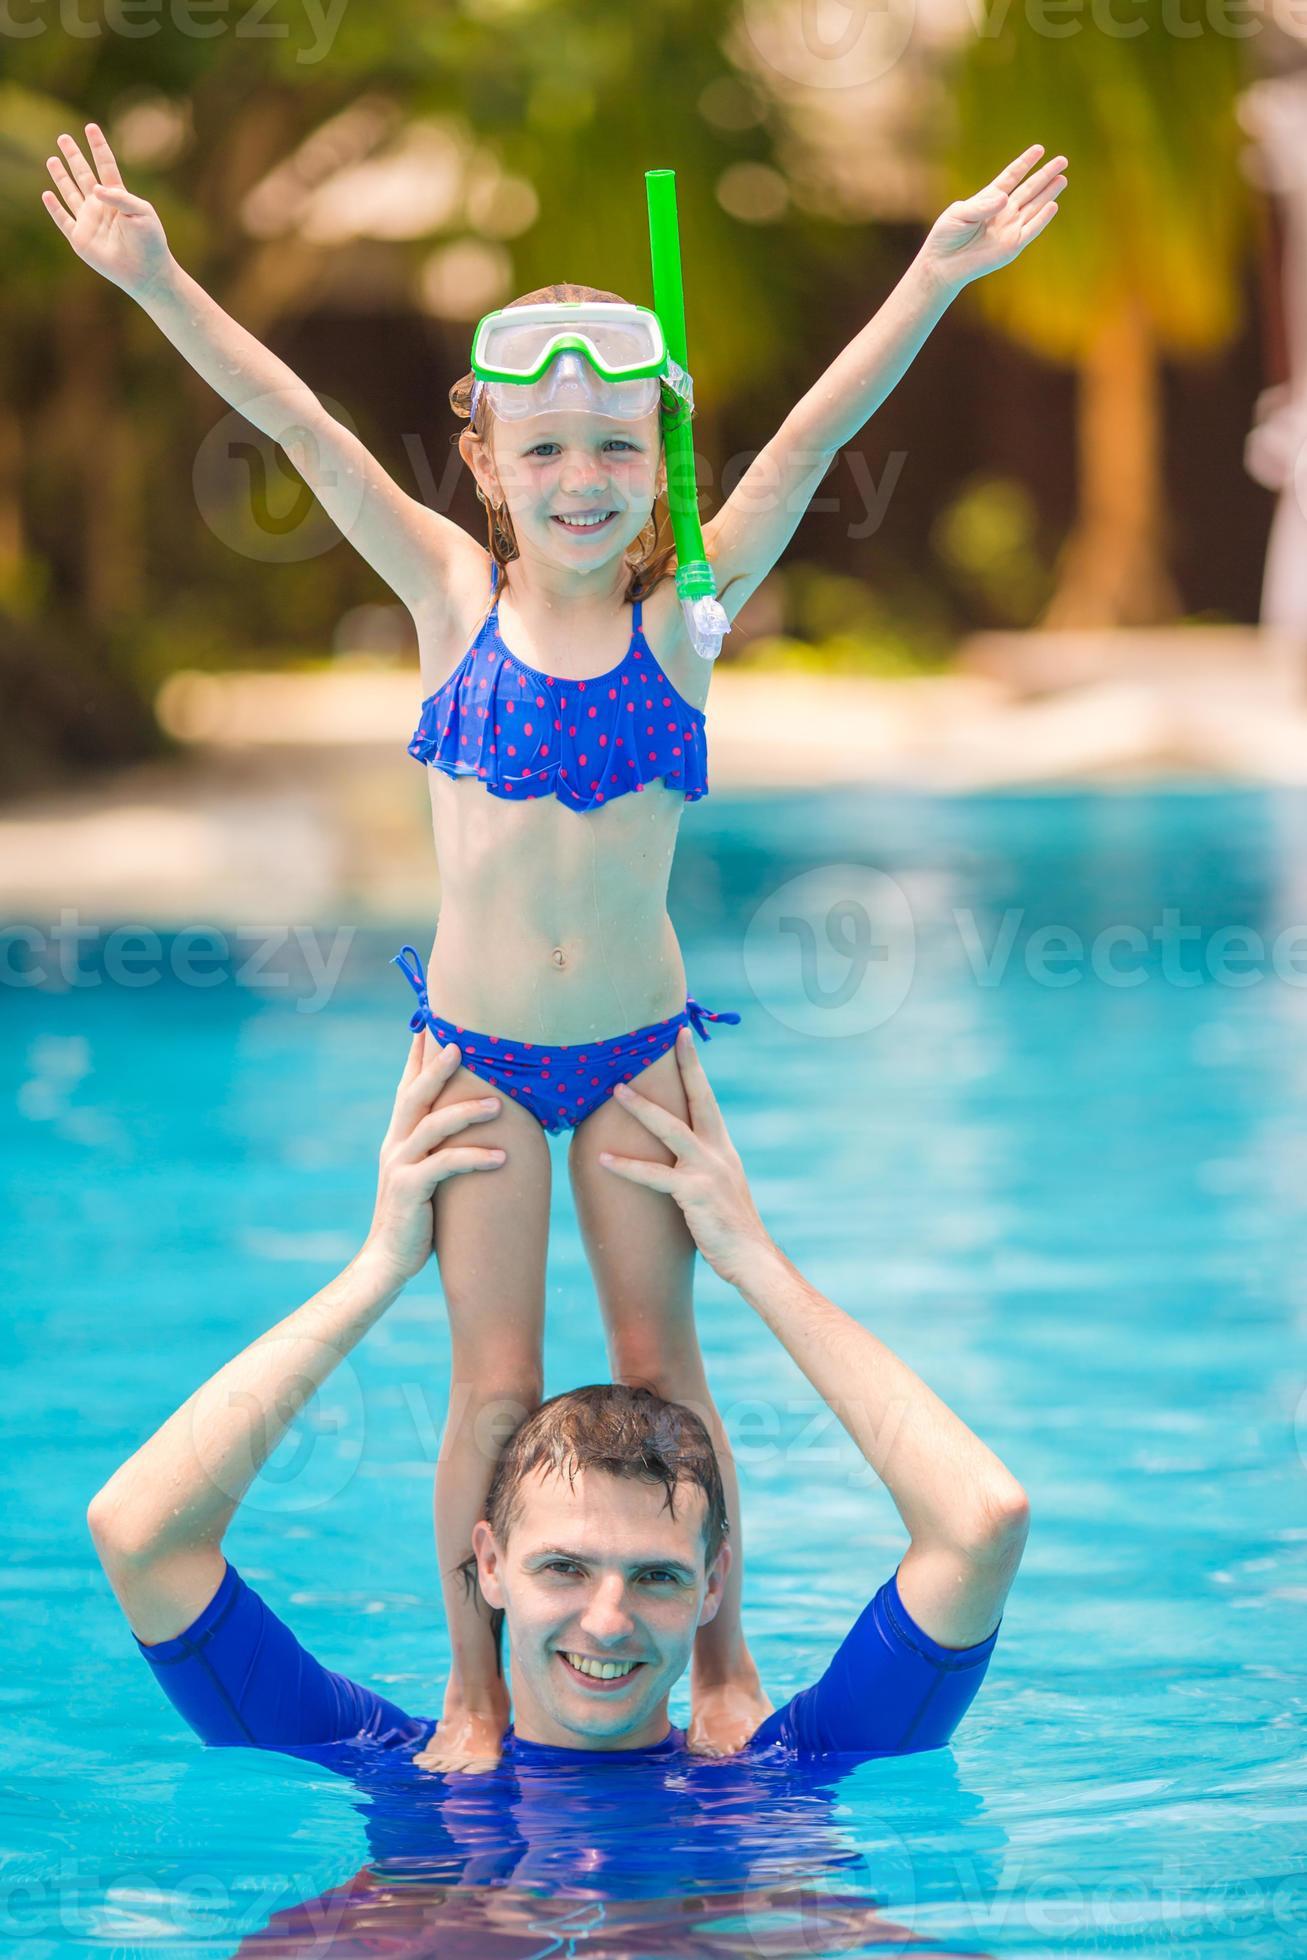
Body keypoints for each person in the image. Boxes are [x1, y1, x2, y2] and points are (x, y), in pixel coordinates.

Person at [48, 120, 1062, 1765]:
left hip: (643, 1049)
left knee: (667, 1364)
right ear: (483, 461)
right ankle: (471, 1690)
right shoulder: (452, 598)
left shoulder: (687, 617)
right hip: (481, 1065)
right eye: (544, 451)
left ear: (654, 458)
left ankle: (721, 1672)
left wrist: (934, 271)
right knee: (494, 1391)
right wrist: (158, 277)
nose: (580, 482)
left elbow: (808, 442)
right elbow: (296, 423)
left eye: (613, 448)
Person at [87, 1025, 1030, 1781]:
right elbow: (139, 1534)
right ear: (488, 1564)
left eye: (657, 1576)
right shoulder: (389, 1766)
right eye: (564, 1568)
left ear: (712, 1587)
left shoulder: (779, 1772)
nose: (608, 1620)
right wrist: (376, 1267)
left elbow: (980, 1522)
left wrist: (753, 1259)